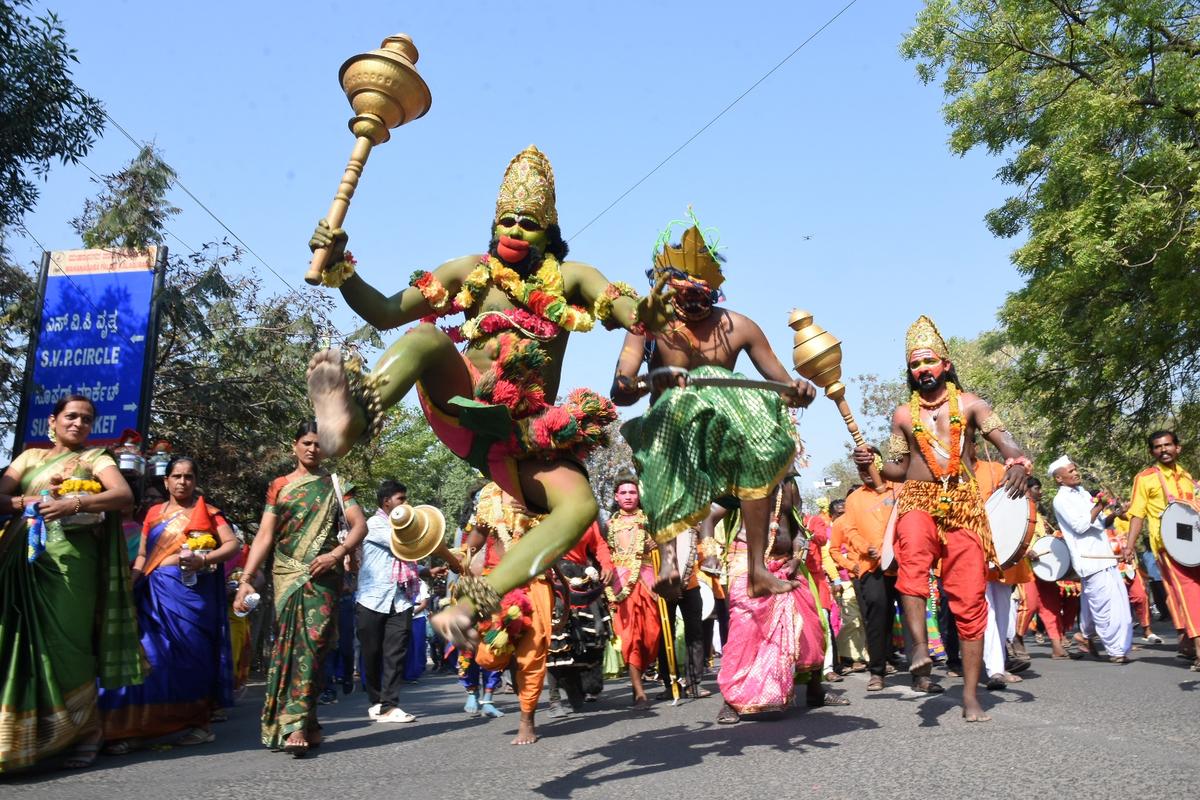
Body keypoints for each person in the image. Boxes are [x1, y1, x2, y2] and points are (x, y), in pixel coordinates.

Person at [305, 146, 670, 650]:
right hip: (462, 407)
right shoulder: (467, 271)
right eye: (507, 221)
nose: (515, 231)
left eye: (528, 223)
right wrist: (340, 263)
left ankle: (470, 605)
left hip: (522, 435)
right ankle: (348, 424)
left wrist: (646, 308)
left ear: (548, 232)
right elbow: (387, 312)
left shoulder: (572, 279)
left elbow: (625, 307)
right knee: (428, 339)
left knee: (581, 505)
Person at [612, 214, 816, 602]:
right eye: (682, 298)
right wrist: (647, 383)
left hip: (724, 433)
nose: (692, 307)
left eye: (700, 298)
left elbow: (784, 386)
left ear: (715, 291)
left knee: (762, 443)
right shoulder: (647, 326)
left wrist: (801, 390)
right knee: (663, 429)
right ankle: (671, 561)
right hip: (671, 432)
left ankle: (757, 570)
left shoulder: (740, 326)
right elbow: (620, 389)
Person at [853, 315, 1029, 722]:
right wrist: (871, 464)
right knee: (912, 561)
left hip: (964, 503)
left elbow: (1004, 440)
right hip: (917, 498)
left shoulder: (971, 405)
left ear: (945, 364)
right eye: (915, 365)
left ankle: (970, 695)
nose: (922, 370)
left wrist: (1017, 460)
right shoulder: (902, 414)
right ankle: (918, 647)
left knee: (968, 599)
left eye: (928, 362)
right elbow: (897, 469)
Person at [0, 395, 143, 771]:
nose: (78, 423)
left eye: (86, 419)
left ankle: (85, 730)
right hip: (23, 560)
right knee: (18, 642)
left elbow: (122, 495)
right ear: (53, 420)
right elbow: (1, 496)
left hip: (71, 566)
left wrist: (72, 504)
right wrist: (24, 502)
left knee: (69, 646)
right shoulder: (29, 458)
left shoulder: (97, 459)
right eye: (71, 416)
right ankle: (25, 734)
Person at [233, 421, 367, 756]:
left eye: (319, 444)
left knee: (317, 646)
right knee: (292, 647)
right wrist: (246, 577)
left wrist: (336, 554)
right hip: (286, 576)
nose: (312, 449)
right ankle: (298, 724)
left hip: (324, 576)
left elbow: (359, 525)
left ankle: (303, 720)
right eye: (306, 442)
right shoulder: (279, 486)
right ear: (294, 445)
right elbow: (264, 535)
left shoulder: (336, 484)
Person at [99, 456, 238, 752]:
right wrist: (132, 579)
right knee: (151, 658)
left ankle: (198, 724)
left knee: (190, 662)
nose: (182, 482)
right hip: (154, 597)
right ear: (166, 481)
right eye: (176, 476)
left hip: (192, 601)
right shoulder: (153, 514)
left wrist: (203, 559)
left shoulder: (209, 512)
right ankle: (140, 727)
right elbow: (144, 555)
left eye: (189, 476)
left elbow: (232, 546)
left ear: (195, 481)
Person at [715, 475, 839, 724]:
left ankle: (815, 690)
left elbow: (797, 528)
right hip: (746, 562)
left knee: (811, 627)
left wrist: (796, 556)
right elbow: (709, 516)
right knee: (745, 632)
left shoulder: (789, 485)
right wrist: (708, 551)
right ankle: (730, 701)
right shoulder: (738, 480)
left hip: (787, 563)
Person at [466, 481, 554, 745]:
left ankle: (527, 720)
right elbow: (479, 532)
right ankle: (512, 667)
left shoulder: (540, 487)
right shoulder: (489, 493)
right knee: (488, 656)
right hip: (498, 581)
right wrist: (466, 553)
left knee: (532, 655)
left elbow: (562, 532)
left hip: (535, 579)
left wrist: (534, 511)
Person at [1124, 430, 1200, 670]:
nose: (1163, 450)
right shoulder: (1145, 478)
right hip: (1169, 547)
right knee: (1189, 594)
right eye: (1158, 447)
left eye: (1168, 445)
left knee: (1187, 595)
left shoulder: (1187, 477)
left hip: (1194, 547)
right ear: (1152, 452)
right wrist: (1129, 546)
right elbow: (1137, 513)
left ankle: (1186, 644)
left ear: (1178, 448)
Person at [1050, 456, 1133, 663]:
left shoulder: (1083, 493)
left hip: (1105, 556)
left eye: (1075, 469)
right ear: (1059, 478)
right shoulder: (1060, 500)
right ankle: (1116, 651)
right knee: (1106, 607)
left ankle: (1085, 636)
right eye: (1070, 471)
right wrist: (1099, 505)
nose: (1076, 473)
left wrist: (1114, 513)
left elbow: (1098, 523)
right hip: (1090, 559)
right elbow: (1080, 526)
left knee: (1112, 603)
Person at [355, 479, 419, 723]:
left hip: (400, 600)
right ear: (386, 502)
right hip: (372, 599)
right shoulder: (373, 525)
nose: (406, 503)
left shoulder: (401, 528)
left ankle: (390, 705)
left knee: (395, 653)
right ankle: (376, 701)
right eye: (401, 499)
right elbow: (404, 545)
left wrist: (425, 571)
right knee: (371, 654)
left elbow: (405, 561)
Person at [834, 467, 902, 692]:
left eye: (869, 466)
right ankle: (877, 671)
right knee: (875, 615)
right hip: (869, 567)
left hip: (903, 564)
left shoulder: (899, 490)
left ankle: (920, 673)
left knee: (912, 615)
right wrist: (865, 550)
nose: (864, 471)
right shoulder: (854, 499)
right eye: (860, 468)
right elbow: (849, 531)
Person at [604, 473, 662, 707]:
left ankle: (647, 672)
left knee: (652, 634)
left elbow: (667, 544)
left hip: (648, 582)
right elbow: (601, 554)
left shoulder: (651, 520)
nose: (628, 496)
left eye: (632, 492)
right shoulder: (607, 525)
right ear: (616, 497)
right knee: (630, 637)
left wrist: (656, 541)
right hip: (621, 586)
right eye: (624, 493)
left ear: (639, 496)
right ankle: (638, 691)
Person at [546, 520, 613, 715]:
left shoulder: (586, 517)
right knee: (555, 640)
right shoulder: (540, 513)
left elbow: (599, 544)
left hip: (581, 580)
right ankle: (554, 700)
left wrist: (606, 565)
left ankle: (580, 687)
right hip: (551, 577)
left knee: (589, 637)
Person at [827, 498, 869, 676]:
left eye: (845, 513)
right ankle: (846, 656)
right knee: (851, 619)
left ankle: (862, 656)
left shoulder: (855, 529)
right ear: (831, 516)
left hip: (859, 578)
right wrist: (836, 580)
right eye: (838, 514)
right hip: (842, 582)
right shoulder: (829, 531)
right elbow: (829, 557)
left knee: (862, 619)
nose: (842, 516)